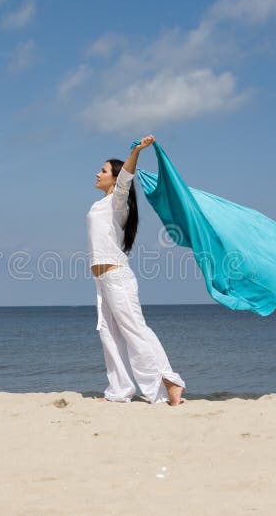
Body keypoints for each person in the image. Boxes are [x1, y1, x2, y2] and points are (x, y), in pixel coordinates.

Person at [86, 134, 186, 406]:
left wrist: (137, 152)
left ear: (114, 178)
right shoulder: (99, 204)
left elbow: (127, 177)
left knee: (134, 331)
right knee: (109, 333)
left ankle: (170, 381)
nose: (98, 173)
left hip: (117, 277)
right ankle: (119, 390)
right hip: (103, 281)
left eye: (103, 170)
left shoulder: (118, 202)